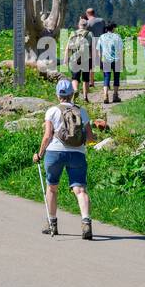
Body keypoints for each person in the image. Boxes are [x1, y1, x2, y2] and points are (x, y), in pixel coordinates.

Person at [33, 78, 94, 239]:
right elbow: (90, 138)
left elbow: (47, 136)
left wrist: (39, 154)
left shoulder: (52, 111)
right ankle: (86, 222)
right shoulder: (82, 111)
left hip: (55, 153)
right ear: (72, 94)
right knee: (80, 189)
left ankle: (52, 223)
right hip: (78, 154)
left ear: (58, 94)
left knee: (52, 187)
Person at [64, 17, 94, 102]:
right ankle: (85, 97)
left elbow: (68, 47)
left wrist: (65, 59)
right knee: (85, 79)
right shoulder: (90, 34)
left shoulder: (73, 33)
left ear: (78, 25)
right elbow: (92, 48)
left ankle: (75, 90)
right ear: (86, 26)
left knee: (75, 78)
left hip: (74, 59)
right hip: (86, 59)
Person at [97, 21, 123, 104]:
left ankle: (105, 95)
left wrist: (100, 59)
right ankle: (115, 95)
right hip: (116, 59)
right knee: (116, 77)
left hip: (105, 60)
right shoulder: (117, 37)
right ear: (113, 28)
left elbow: (99, 50)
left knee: (106, 77)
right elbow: (120, 50)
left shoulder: (102, 37)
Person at [84, 7, 105, 72]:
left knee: (91, 58)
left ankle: (92, 74)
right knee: (100, 56)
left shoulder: (87, 23)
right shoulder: (101, 20)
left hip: (91, 42)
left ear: (87, 13)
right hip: (100, 40)